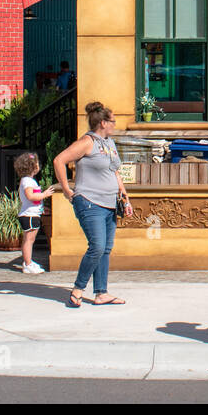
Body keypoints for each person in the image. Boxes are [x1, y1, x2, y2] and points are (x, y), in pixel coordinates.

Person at [53, 101, 132, 309]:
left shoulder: (110, 143)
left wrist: (124, 195)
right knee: (96, 246)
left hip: (110, 203)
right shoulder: (87, 142)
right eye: (113, 121)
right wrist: (67, 190)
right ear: (103, 122)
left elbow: (114, 171)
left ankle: (101, 293)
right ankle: (78, 289)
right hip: (89, 202)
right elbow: (59, 160)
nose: (115, 125)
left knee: (105, 248)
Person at [16, 151, 56, 274]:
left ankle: (28, 262)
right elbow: (30, 196)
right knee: (29, 240)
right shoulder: (28, 181)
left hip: (32, 213)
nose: (39, 165)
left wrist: (41, 209)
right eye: (37, 163)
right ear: (32, 167)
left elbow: (32, 200)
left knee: (29, 239)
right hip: (29, 215)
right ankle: (27, 264)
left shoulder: (28, 181)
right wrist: (44, 195)